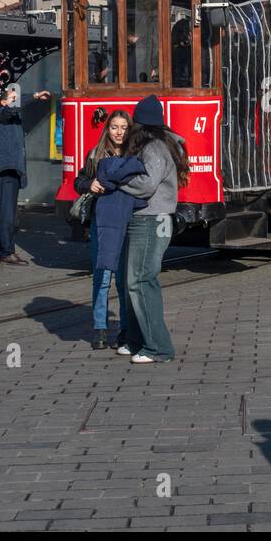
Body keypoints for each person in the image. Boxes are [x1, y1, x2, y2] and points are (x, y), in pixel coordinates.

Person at [111, 95, 189, 364]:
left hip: (152, 220)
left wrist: (117, 181)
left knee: (141, 280)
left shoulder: (154, 148)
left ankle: (158, 348)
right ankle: (136, 340)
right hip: (145, 219)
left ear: (140, 124)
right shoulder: (156, 144)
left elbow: (145, 185)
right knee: (131, 280)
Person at [73, 110, 144, 350]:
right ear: (107, 129)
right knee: (102, 277)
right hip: (101, 222)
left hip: (126, 222)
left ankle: (124, 329)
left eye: (124, 127)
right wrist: (88, 184)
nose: (119, 132)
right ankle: (100, 329)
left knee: (124, 279)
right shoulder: (95, 155)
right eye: (114, 127)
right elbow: (77, 181)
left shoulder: (135, 155)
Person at [0, 86, 53, 264]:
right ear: (3, 102)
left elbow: (15, 105)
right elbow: (13, 107)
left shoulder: (12, 117)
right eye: (12, 98)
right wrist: (35, 95)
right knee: (8, 215)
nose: (16, 100)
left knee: (6, 214)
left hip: (12, 171)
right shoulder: (1, 114)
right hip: (6, 171)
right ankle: (7, 252)